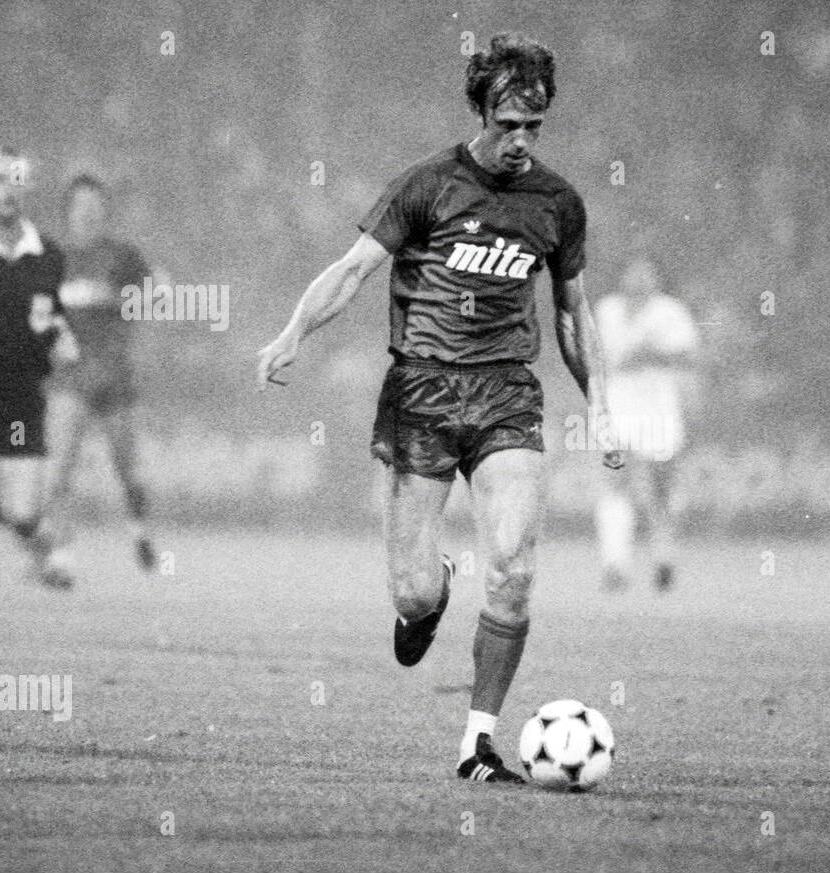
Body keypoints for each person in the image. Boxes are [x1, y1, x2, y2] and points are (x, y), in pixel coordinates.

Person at [256, 33, 621, 783]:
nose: (521, 141)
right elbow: (353, 269)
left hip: (506, 394)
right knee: (415, 591)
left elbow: (573, 312)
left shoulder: (556, 203)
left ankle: (477, 741)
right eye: (508, 124)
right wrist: (294, 331)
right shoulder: (427, 186)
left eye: (535, 126)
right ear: (480, 111)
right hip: (421, 392)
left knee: (515, 567)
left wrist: (603, 404)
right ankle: (431, 598)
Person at [0, 147, 79, 601]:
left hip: (21, 398)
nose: (7, 191)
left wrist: (62, 337)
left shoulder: (47, 255)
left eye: (17, 181)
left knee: (22, 512)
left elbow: (50, 315)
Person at [43, 173, 159, 579]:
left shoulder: (123, 257)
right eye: (82, 206)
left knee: (129, 471)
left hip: (115, 380)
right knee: (59, 470)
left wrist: (118, 299)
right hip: (68, 380)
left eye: (95, 206)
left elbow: (154, 296)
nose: (89, 213)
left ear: (104, 211)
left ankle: (140, 533)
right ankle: (60, 555)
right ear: (70, 213)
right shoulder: (51, 258)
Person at [593, 259, 699, 591]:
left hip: (658, 407)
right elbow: (600, 355)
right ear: (623, 277)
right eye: (632, 272)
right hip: (619, 405)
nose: (639, 279)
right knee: (616, 480)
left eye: (647, 273)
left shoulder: (671, 312)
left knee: (661, 488)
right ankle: (615, 563)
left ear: (657, 279)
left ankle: (664, 557)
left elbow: (689, 356)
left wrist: (650, 354)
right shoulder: (606, 309)